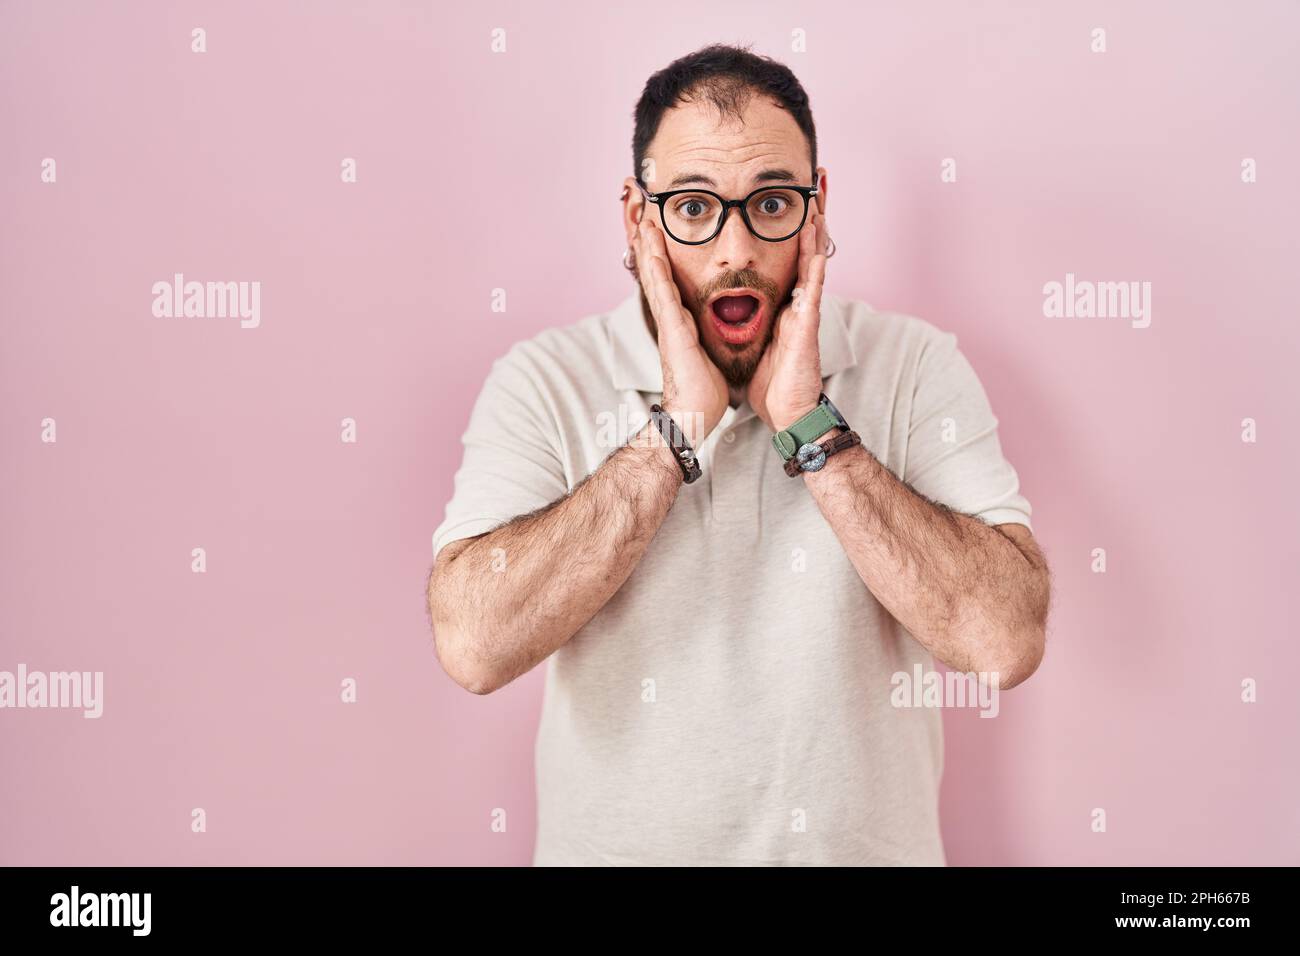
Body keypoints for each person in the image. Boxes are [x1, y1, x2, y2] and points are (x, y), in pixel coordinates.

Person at [427, 43, 1051, 866]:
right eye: (692, 208)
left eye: (770, 204)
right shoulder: (544, 380)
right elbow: (473, 646)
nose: (735, 253)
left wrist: (811, 427)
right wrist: (679, 427)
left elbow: (1003, 642)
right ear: (637, 217)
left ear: (817, 206)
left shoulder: (915, 367)